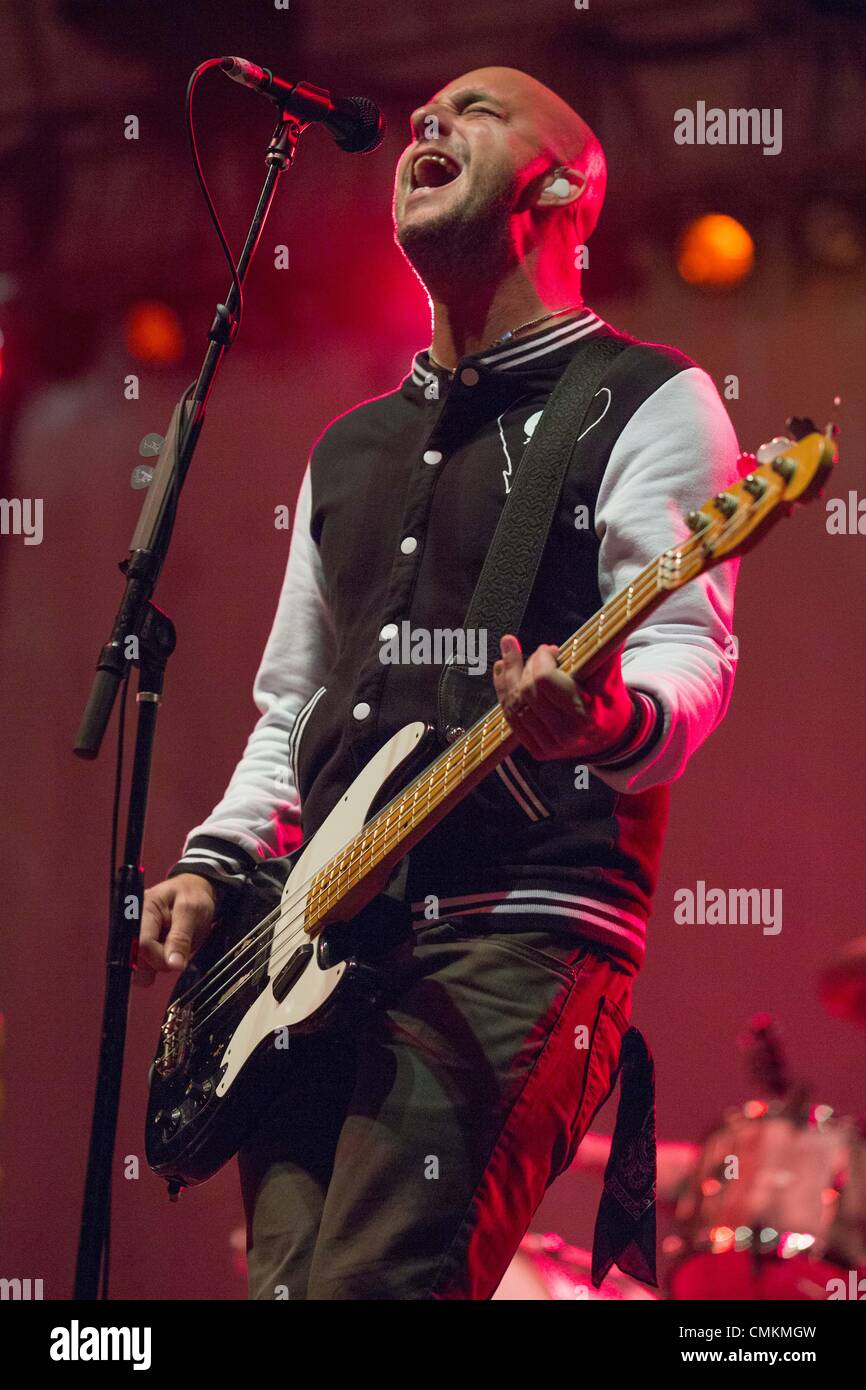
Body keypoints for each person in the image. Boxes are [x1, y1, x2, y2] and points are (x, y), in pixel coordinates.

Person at [138, 66, 740, 1300]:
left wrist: (602, 719)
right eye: (424, 114)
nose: (427, 122)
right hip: (316, 944)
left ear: (565, 187)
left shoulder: (644, 397)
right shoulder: (347, 449)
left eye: (475, 110)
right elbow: (292, 709)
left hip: (515, 927)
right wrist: (213, 860)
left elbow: (689, 652)